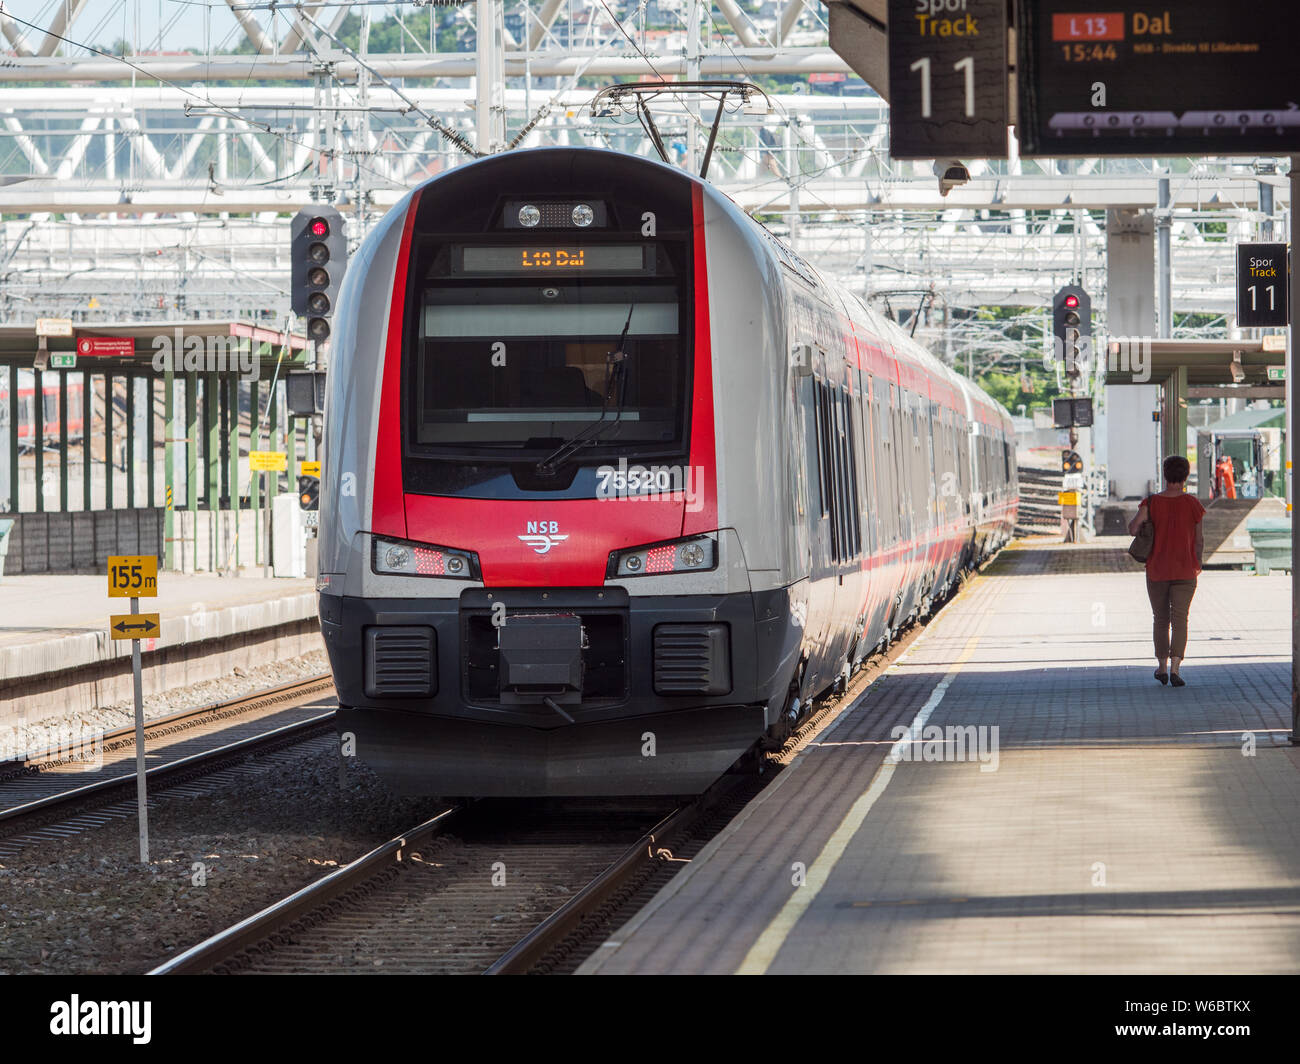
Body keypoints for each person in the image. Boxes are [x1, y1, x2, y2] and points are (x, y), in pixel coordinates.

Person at [1128, 455, 1205, 687]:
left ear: (1165, 475)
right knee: (1180, 619)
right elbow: (1199, 540)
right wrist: (1197, 563)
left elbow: (1132, 529)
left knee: (1160, 619)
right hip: (1185, 569)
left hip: (1157, 570)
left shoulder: (1151, 503)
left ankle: (1161, 666)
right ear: (1186, 476)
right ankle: (1175, 668)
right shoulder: (1193, 504)